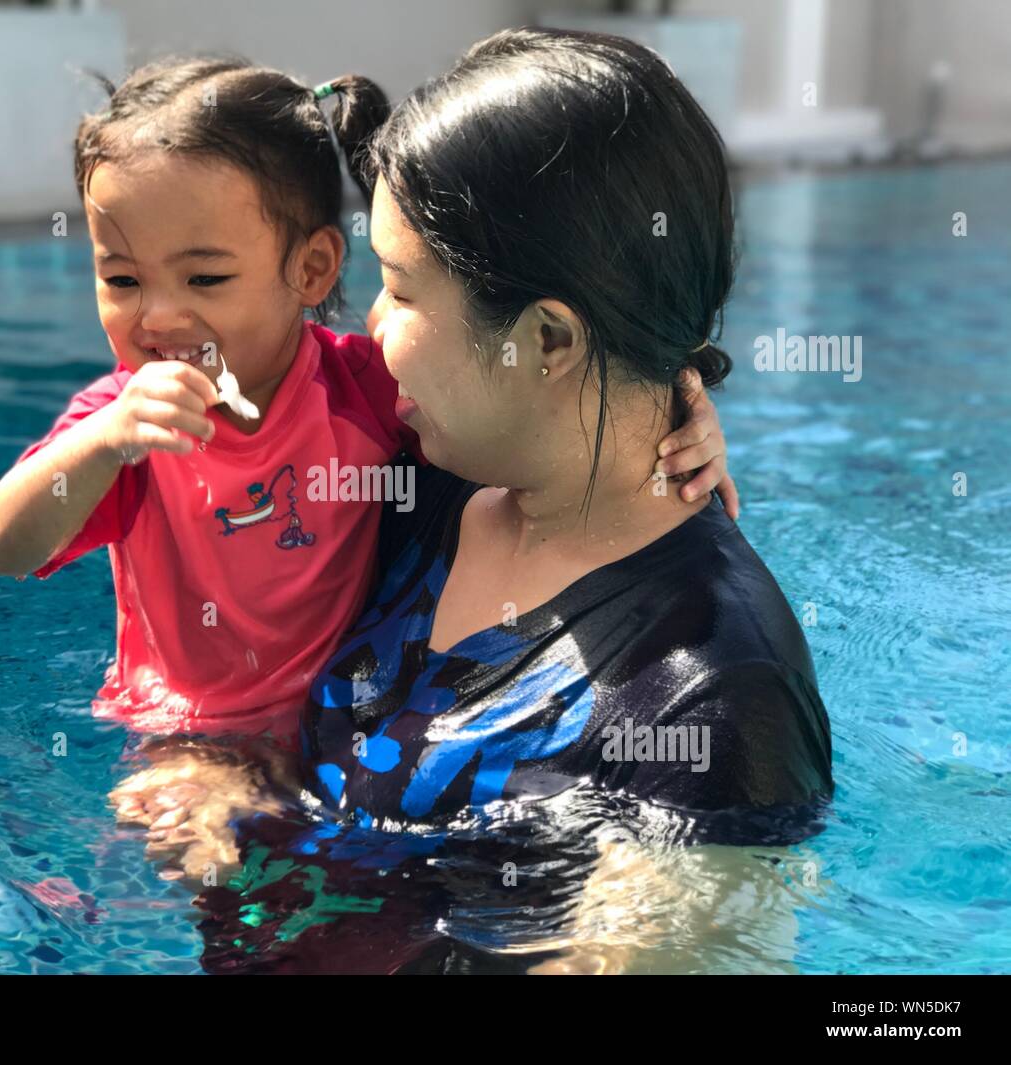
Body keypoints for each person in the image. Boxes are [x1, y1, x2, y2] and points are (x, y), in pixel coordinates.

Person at [117, 29, 834, 974]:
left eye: (402, 290)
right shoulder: (415, 477)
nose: (369, 327)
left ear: (544, 341)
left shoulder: (706, 699)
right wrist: (207, 760)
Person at [0, 56, 735, 741]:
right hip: (186, 735)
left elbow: (535, 409)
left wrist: (676, 399)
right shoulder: (129, 423)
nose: (158, 315)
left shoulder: (358, 388)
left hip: (333, 727)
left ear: (310, 269)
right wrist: (104, 439)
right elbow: (3, 546)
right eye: (121, 279)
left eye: (204, 279)